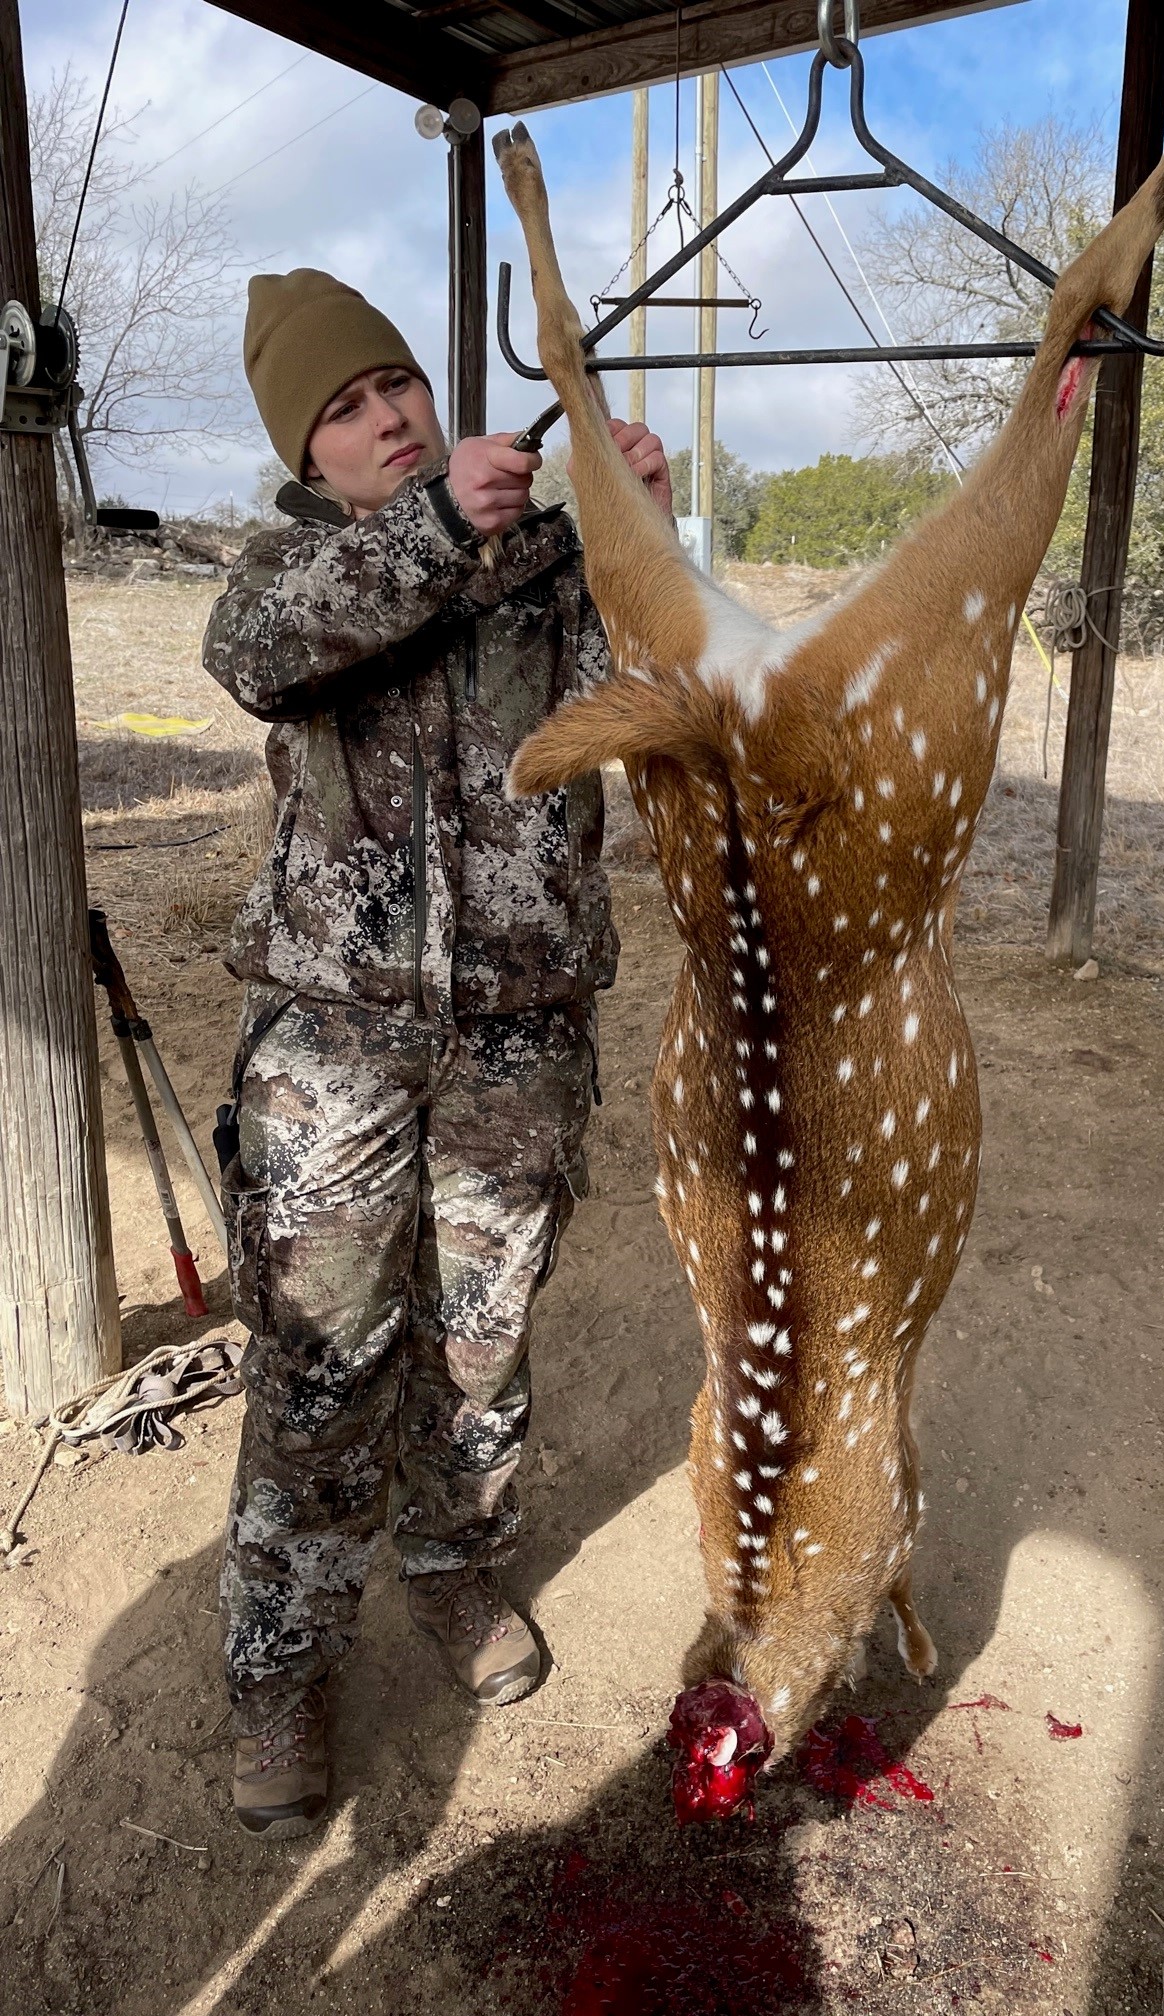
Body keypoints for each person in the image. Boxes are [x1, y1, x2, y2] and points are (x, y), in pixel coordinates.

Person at [204, 268, 670, 1839]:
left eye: (394, 383)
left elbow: (658, 679)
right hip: (336, 1047)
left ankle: (458, 1578)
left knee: (479, 1347)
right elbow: (269, 655)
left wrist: (634, 523)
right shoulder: (289, 569)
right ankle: (283, 1667)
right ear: (310, 453)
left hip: (520, 1036)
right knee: (323, 1361)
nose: (386, 417)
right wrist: (439, 530)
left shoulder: (539, 554)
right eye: (346, 409)